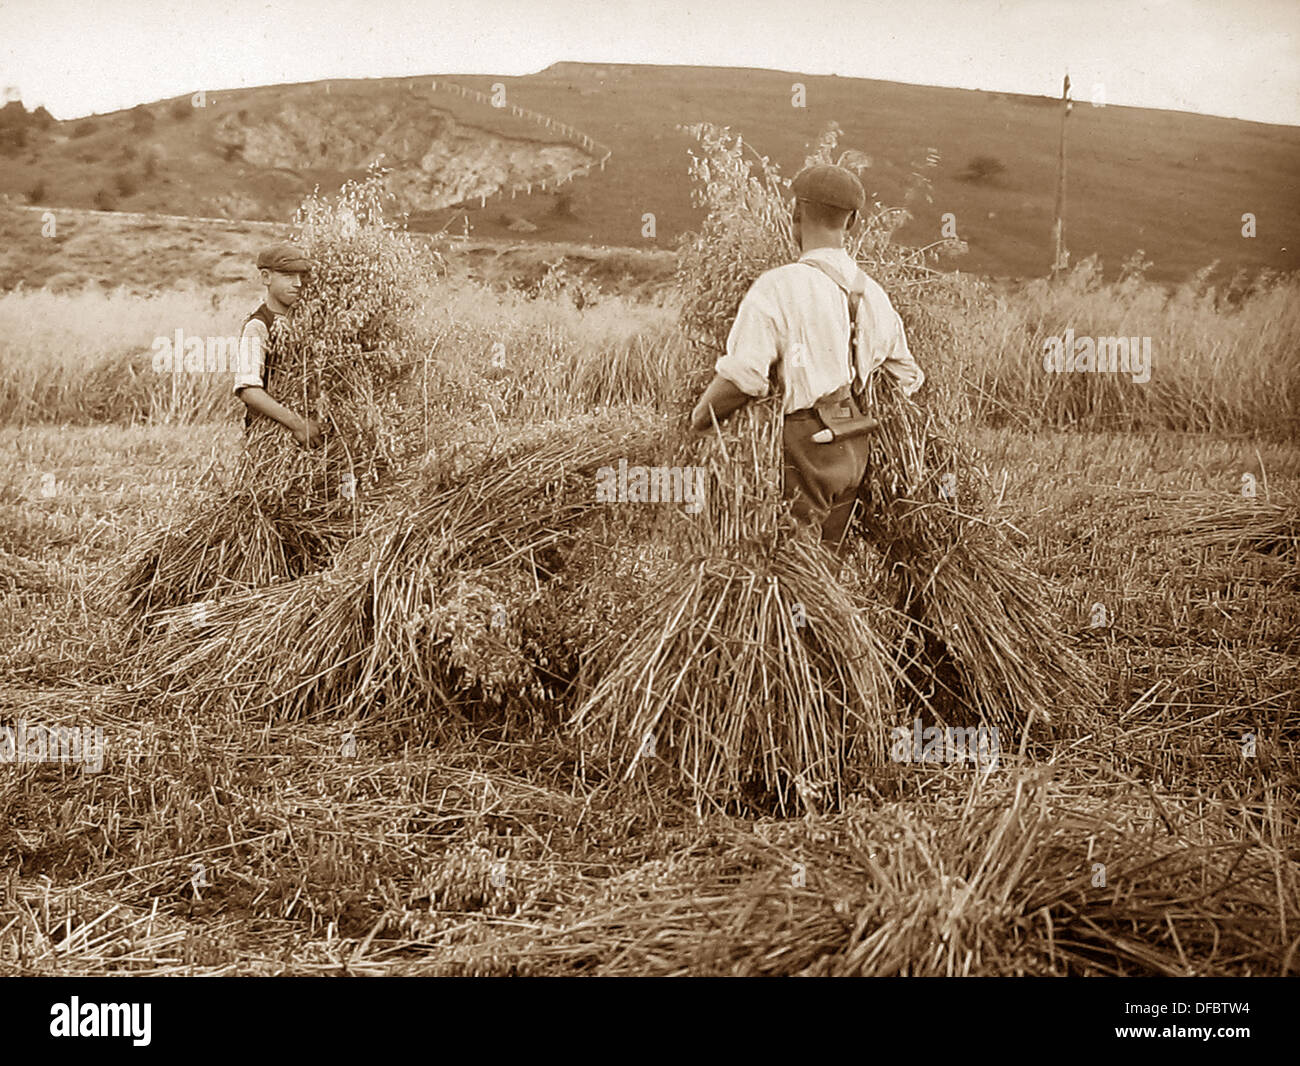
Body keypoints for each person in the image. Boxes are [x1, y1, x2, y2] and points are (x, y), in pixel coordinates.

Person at [690, 163, 925, 545]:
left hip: (806, 450)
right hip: (854, 446)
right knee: (827, 564)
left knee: (794, 564)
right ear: (852, 222)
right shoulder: (873, 293)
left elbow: (744, 377)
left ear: (795, 212)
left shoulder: (778, 286)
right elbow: (907, 376)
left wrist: (701, 417)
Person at [233, 242, 324, 447]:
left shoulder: (310, 320)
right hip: (273, 437)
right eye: (288, 276)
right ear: (266, 277)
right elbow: (248, 389)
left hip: (314, 431)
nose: (298, 283)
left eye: (302, 276)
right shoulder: (258, 326)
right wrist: (298, 424)